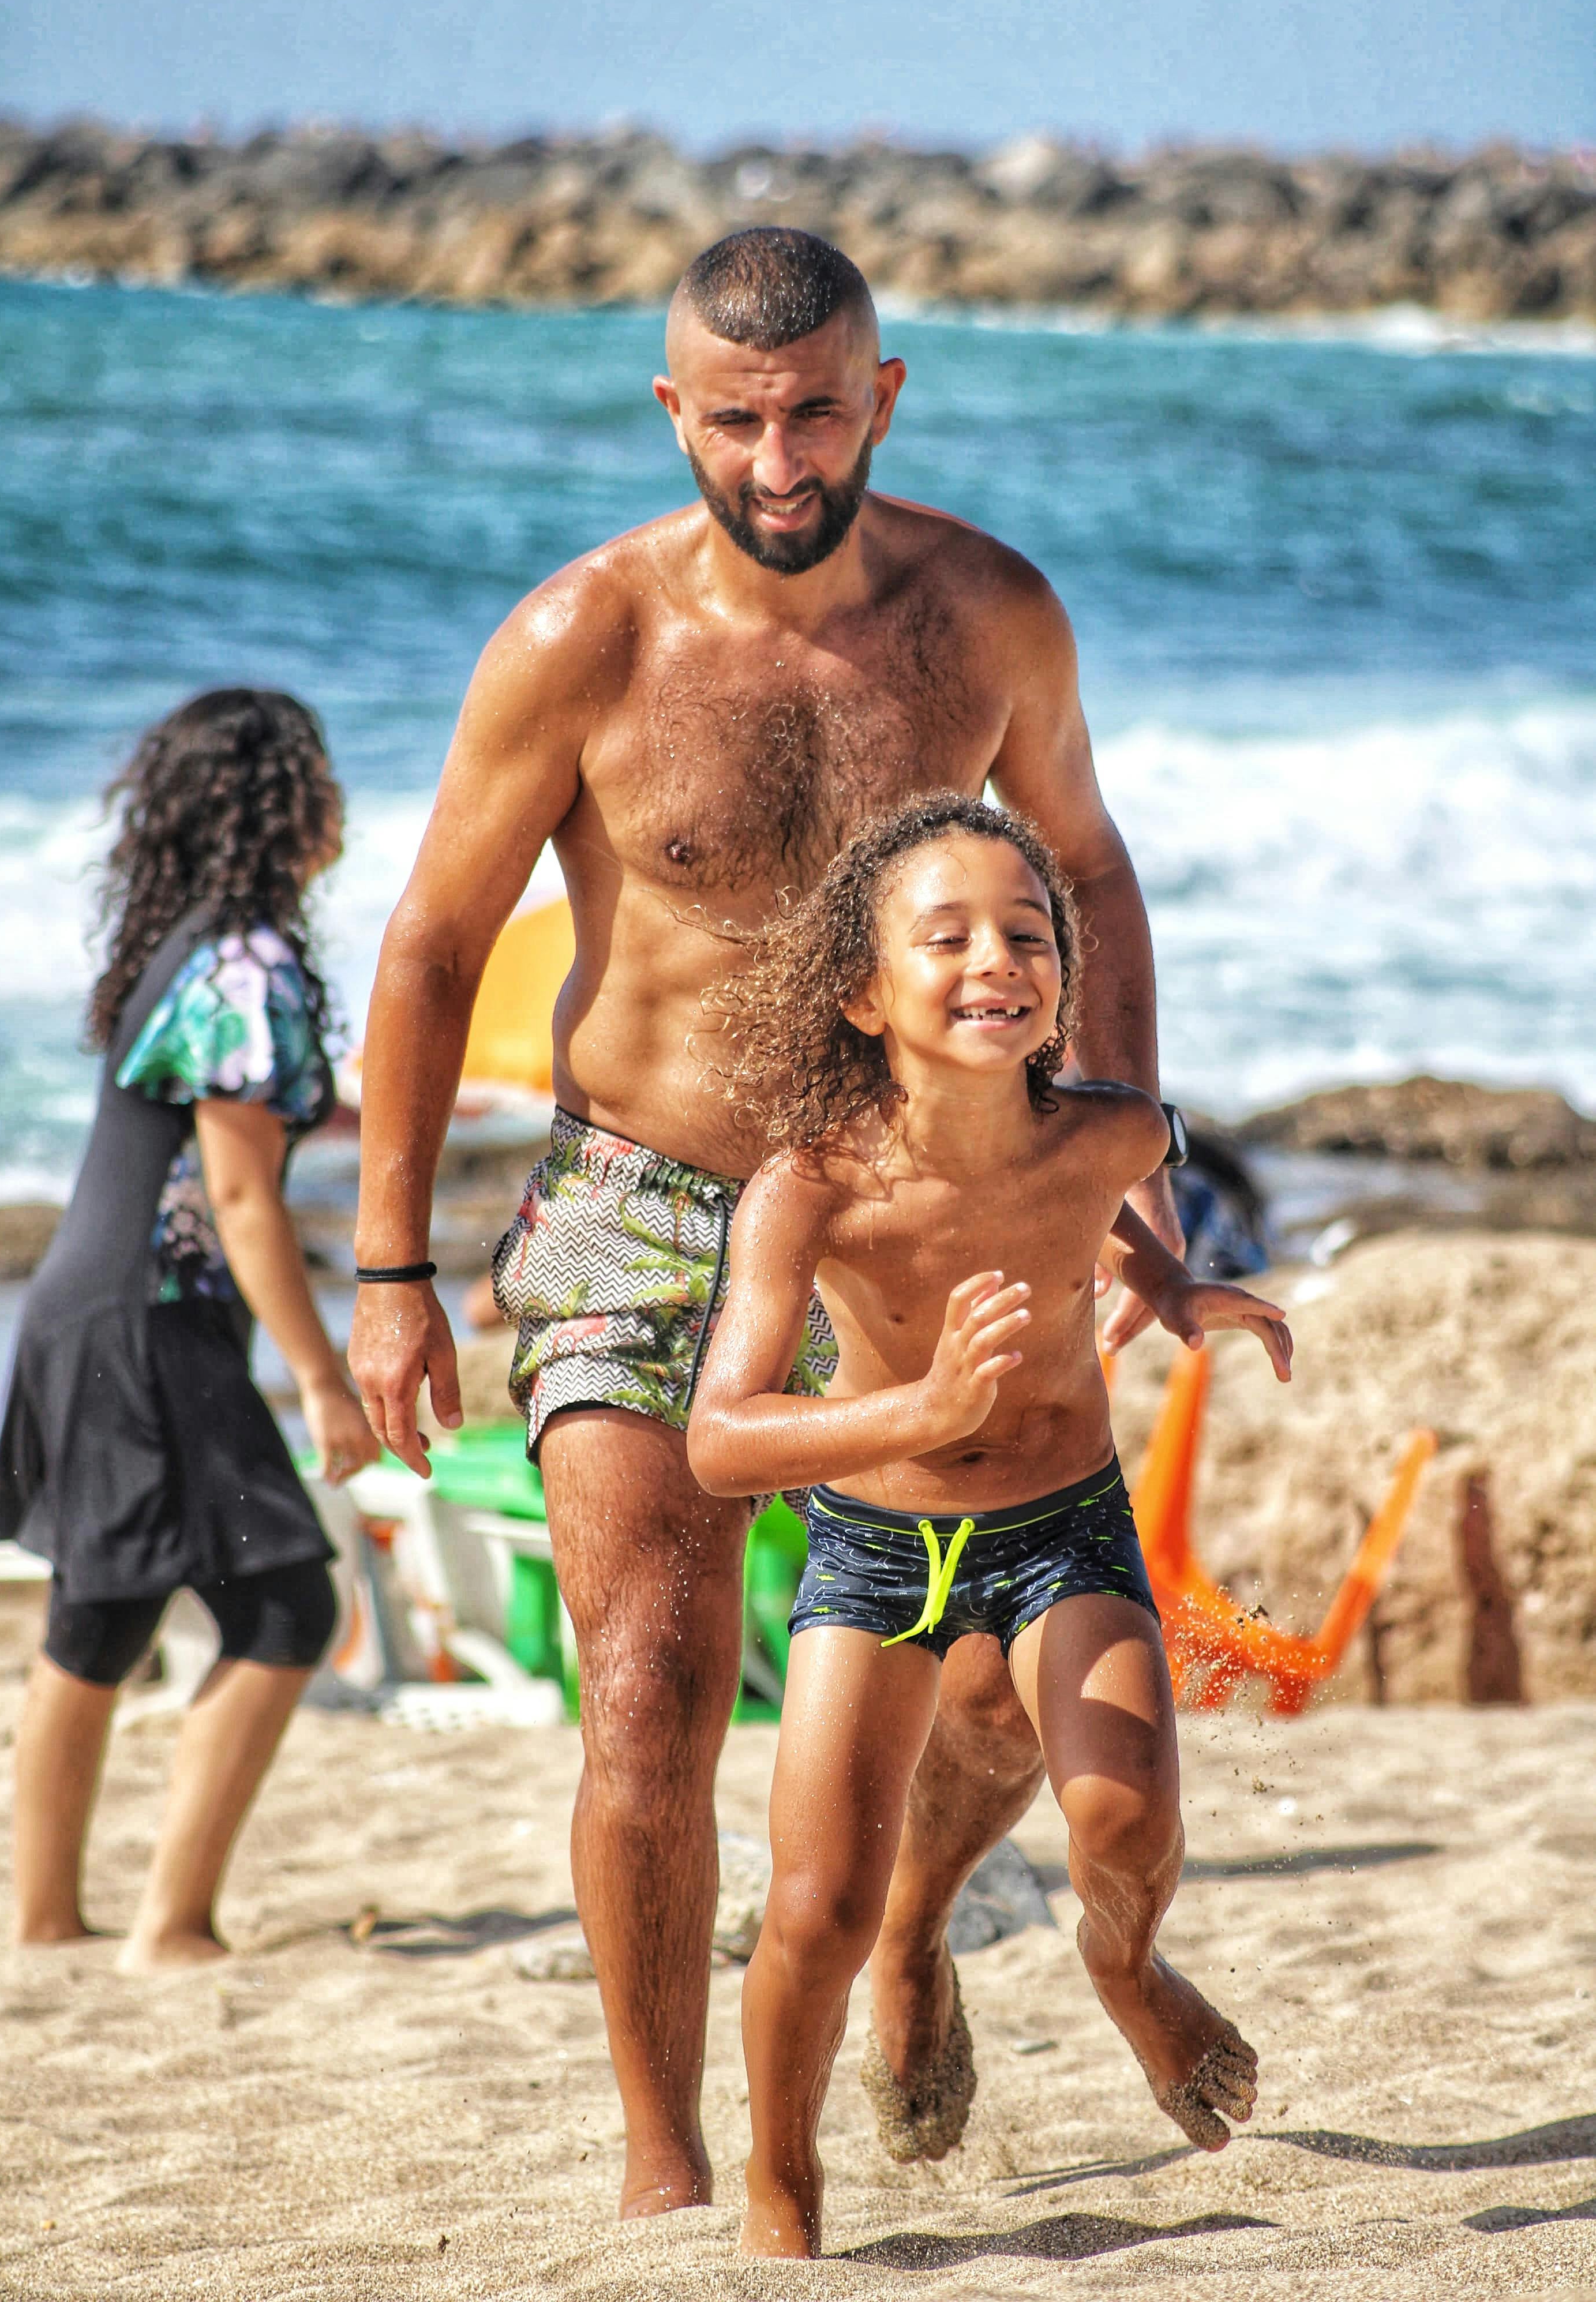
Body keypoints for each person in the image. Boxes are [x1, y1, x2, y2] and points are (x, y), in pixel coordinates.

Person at [349, 226, 1187, 2214]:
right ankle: (665, 2167)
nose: (782, 457)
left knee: (983, 1689)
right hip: (643, 1202)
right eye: (738, 418)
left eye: (818, 409)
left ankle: (903, 1932)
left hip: (925, 1200)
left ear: (882, 395)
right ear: (675, 412)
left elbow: (1090, 877)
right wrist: (387, 1268)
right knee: (645, 1674)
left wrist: (1121, 1181)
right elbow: (431, 940)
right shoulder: (584, 640)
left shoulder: (989, 614)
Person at [684, 794, 1291, 2257]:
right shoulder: (811, 1185)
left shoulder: (1117, 1132)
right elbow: (719, 1437)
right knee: (819, 1911)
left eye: (1027, 933)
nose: (992, 959)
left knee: (1126, 1817)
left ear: (1060, 984)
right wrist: (925, 1406)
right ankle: (783, 2186)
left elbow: (1103, 1207)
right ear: (861, 991)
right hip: (873, 1552)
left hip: (1061, 1531)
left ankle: (1126, 1970)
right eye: (943, 935)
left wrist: (1174, 1282)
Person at [0, 688, 377, 1971]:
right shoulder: (248, 958)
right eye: (316, 779)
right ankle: (171, 1925)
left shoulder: (178, 943)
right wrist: (324, 1378)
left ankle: (45, 1924)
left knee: (98, 1614)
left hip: (74, 1305)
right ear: (280, 806)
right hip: (156, 1319)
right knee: (285, 1606)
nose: (332, 803)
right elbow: (234, 1193)